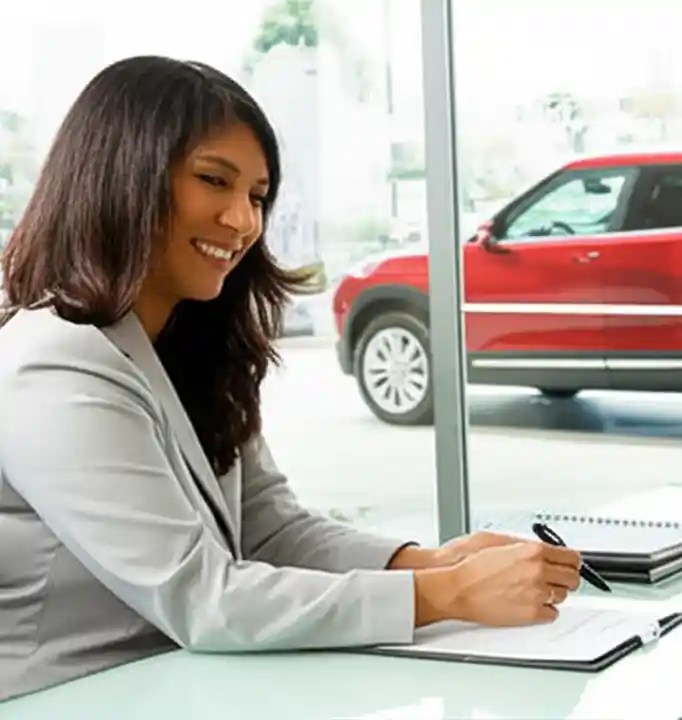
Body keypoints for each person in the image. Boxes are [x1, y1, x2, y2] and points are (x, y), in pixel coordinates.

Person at [0, 56, 582, 701]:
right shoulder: (54, 362)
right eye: (213, 181)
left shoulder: (186, 347)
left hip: (186, 685)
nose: (243, 221)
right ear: (120, 178)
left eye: (256, 196)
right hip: (65, 696)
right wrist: (447, 594)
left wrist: (427, 562)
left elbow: (272, 530)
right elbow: (201, 595)